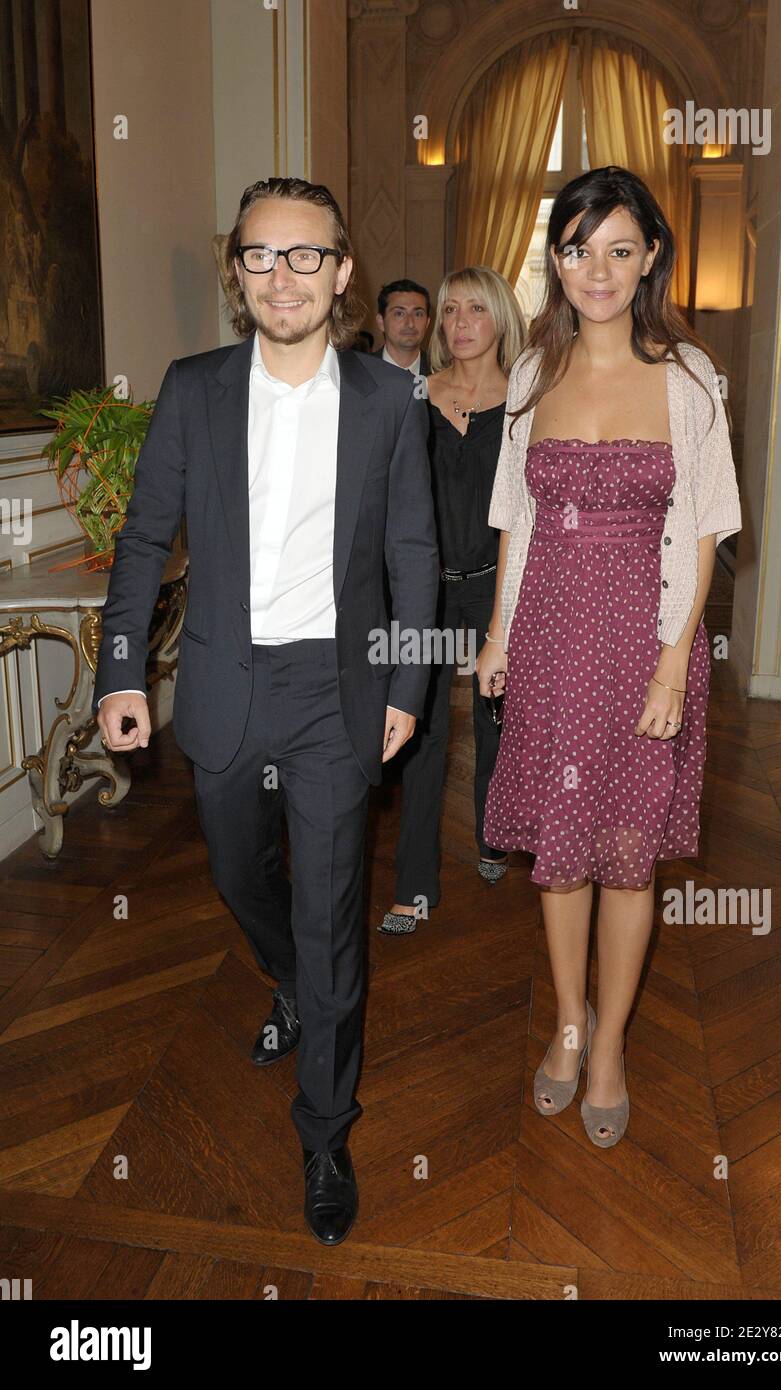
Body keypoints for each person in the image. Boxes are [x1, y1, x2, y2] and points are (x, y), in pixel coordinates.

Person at [94, 176, 440, 1243]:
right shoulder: (194, 387)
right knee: (241, 875)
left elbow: (413, 550)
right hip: (224, 687)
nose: (281, 276)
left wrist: (408, 682)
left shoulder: (389, 399)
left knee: (333, 914)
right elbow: (148, 537)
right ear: (234, 271)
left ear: (343, 273)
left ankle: (325, 1132)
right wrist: (117, 671)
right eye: (259, 256)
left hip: (337, 692)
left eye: (304, 256)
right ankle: (285, 979)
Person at [477, 166, 741, 1147]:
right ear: (555, 257)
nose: (598, 269)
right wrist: (499, 631)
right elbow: (514, 517)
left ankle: (610, 1045)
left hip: (642, 642)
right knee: (558, 852)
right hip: (547, 632)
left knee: (627, 856)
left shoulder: (688, 378)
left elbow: (708, 528)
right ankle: (567, 1020)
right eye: (579, 247)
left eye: (619, 249)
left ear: (650, 260)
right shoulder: (529, 376)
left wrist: (675, 662)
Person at [379, 267, 526, 934]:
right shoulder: (412, 395)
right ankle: (414, 882)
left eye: (473, 309)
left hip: (498, 586)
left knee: (498, 721)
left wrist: (505, 613)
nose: (458, 323)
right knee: (422, 734)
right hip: (424, 596)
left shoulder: (528, 401)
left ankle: (493, 833)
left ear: (499, 318)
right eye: (448, 311)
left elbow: (526, 514)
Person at [377, 278, 431, 377]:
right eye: (399, 314)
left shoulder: (442, 373)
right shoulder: (358, 373)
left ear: (427, 323)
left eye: (418, 314)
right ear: (381, 322)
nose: (410, 323)